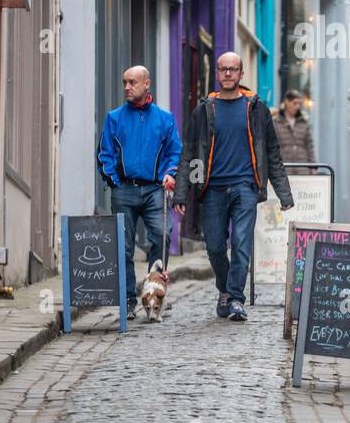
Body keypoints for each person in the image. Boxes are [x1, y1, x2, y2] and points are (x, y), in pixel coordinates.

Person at [173, 52, 293, 322]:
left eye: (233, 70)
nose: (228, 74)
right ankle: (224, 289)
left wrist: (283, 193)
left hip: (245, 187)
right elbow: (189, 153)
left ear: (241, 74)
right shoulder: (204, 109)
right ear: (217, 74)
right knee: (215, 247)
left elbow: (271, 152)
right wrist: (182, 193)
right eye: (223, 70)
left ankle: (236, 298)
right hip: (212, 189)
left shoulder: (256, 108)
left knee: (241, 244)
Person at [98, 65, 181, 310]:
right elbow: (105, 153)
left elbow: (173, 151)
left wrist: (169, 173)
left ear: (147, 84)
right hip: (124, 190)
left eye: (132, 82)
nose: (126, 87)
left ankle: (153, 288)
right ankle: (128, 299)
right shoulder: (114, 118)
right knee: (123, 246)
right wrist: (114, 180)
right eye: (125, 82)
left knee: (162, 234)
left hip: (155, 189)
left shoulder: (165, 119)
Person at [272, 90, 316, 165]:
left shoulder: (303, 122)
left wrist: (313, 166)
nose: (297, 106)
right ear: (287, 102)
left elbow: (309, 146)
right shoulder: (276, 123)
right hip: (284, 169)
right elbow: (272, 147)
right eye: (295, 103)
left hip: (303, 169)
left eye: (299, 104)